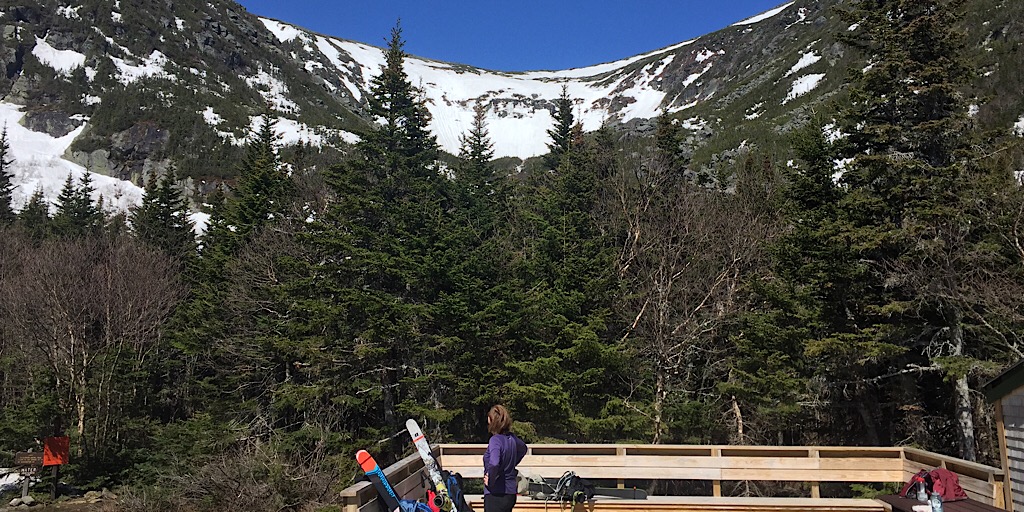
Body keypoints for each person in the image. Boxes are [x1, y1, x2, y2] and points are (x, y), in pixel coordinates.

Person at [482, 405, 527, 512]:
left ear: (492, 420)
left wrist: (491, 482)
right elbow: (523, 449)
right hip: (510, 494)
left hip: (496, 493)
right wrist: (512, 463)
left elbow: (494, 463)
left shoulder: (495, 440)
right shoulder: (512, 438)